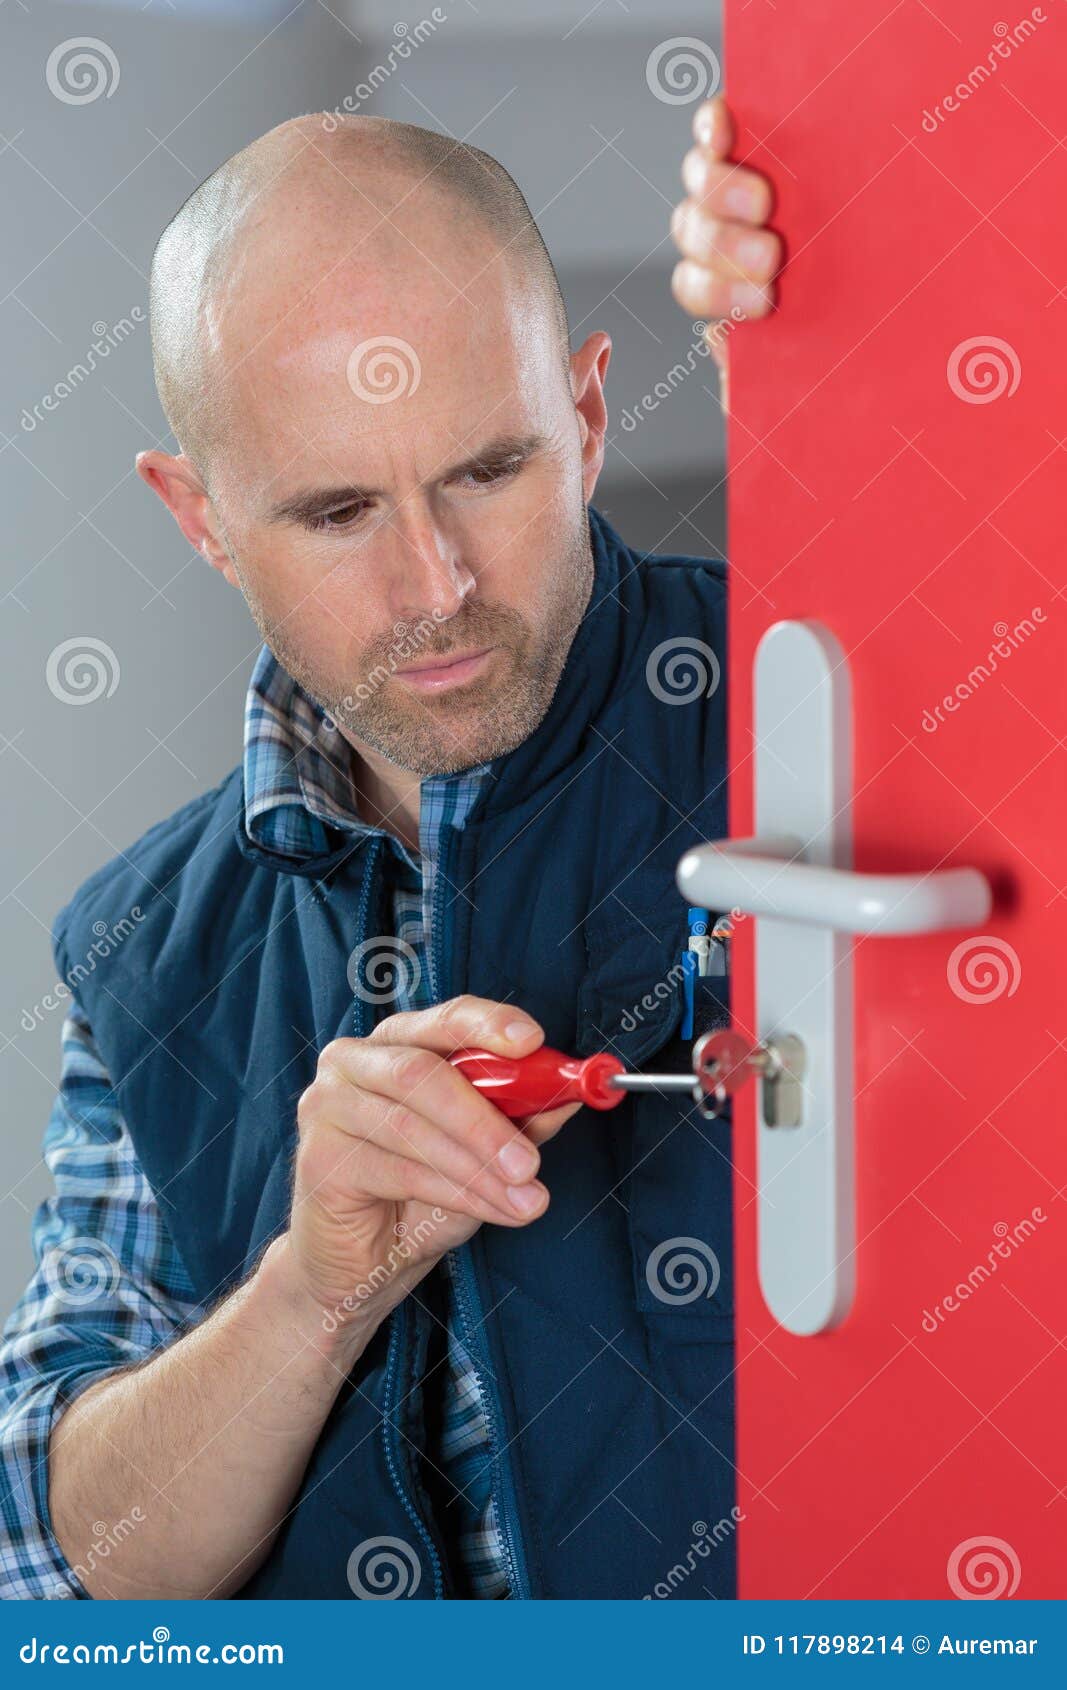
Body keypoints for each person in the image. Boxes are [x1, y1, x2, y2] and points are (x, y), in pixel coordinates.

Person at [0, 97, 780, 1601]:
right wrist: (313, 1288)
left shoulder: (833, 702)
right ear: (204, 519)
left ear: (590, 412)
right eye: (340, 507)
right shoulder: (133, 949)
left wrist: (903, 426)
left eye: (490, 470)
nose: (439, 585)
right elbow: (59, 1566)